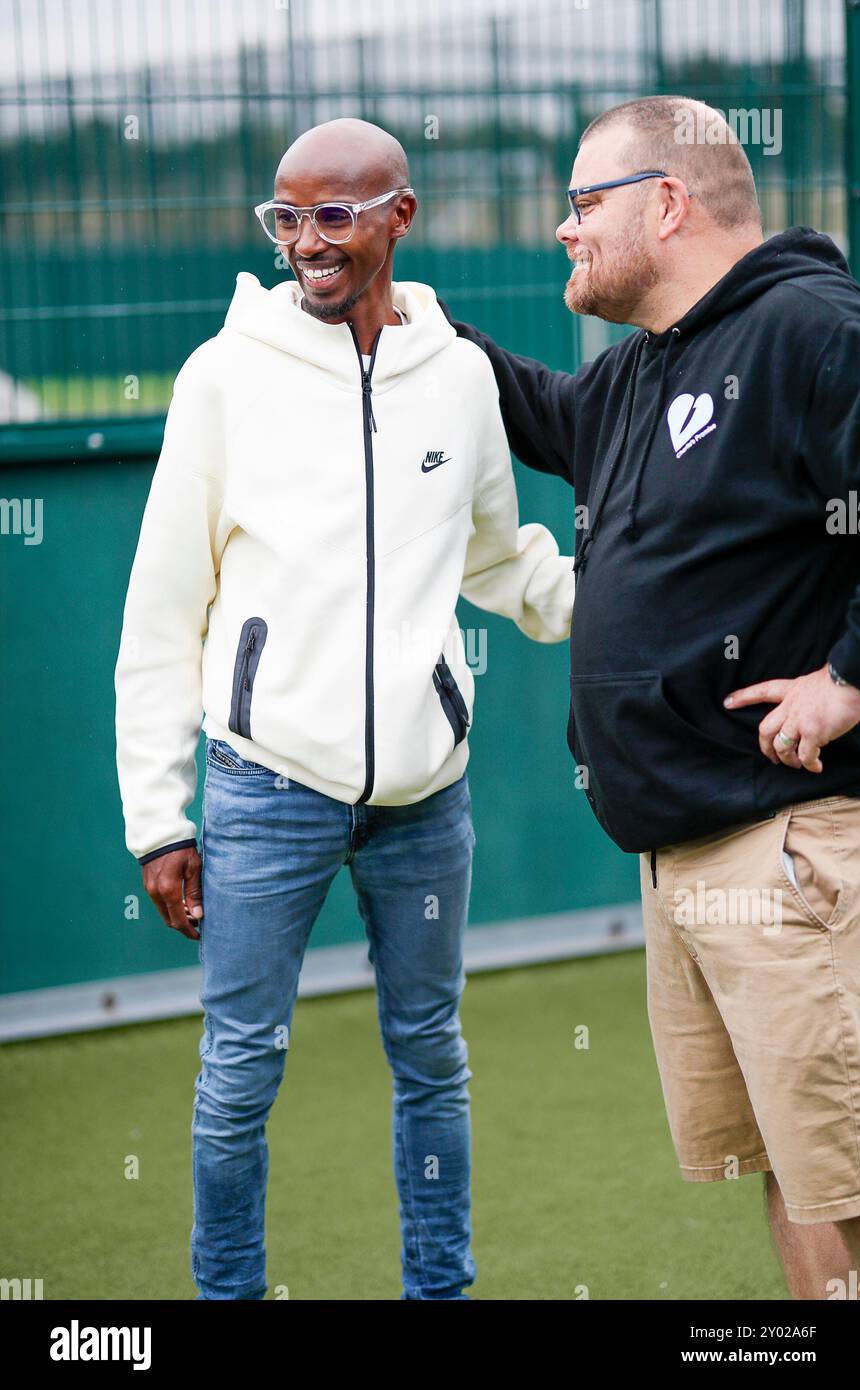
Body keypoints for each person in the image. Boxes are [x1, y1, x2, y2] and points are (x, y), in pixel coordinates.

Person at [113, 118, 575, 1301]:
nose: (306, 242)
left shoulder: (459, 374)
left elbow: (489, 556)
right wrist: (159, 819)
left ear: (397, 218)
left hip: (427, 799)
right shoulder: (223, 377)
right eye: (286, 217)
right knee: (238, 1073)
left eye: (333, 215)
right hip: (265, 791)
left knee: (431, 1059)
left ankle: (440, 1289)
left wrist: (606, 598)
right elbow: (164, 609)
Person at [441, 96, 860, 1300]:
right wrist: (404, 319)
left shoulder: (812, 330)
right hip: (685, 858)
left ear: (666, 202)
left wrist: (846, 680)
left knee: (853, 1176)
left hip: (795, 846)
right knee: (803, 1167)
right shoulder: (638, 376)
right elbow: (529, 403)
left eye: (584, 202)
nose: (562, 228)